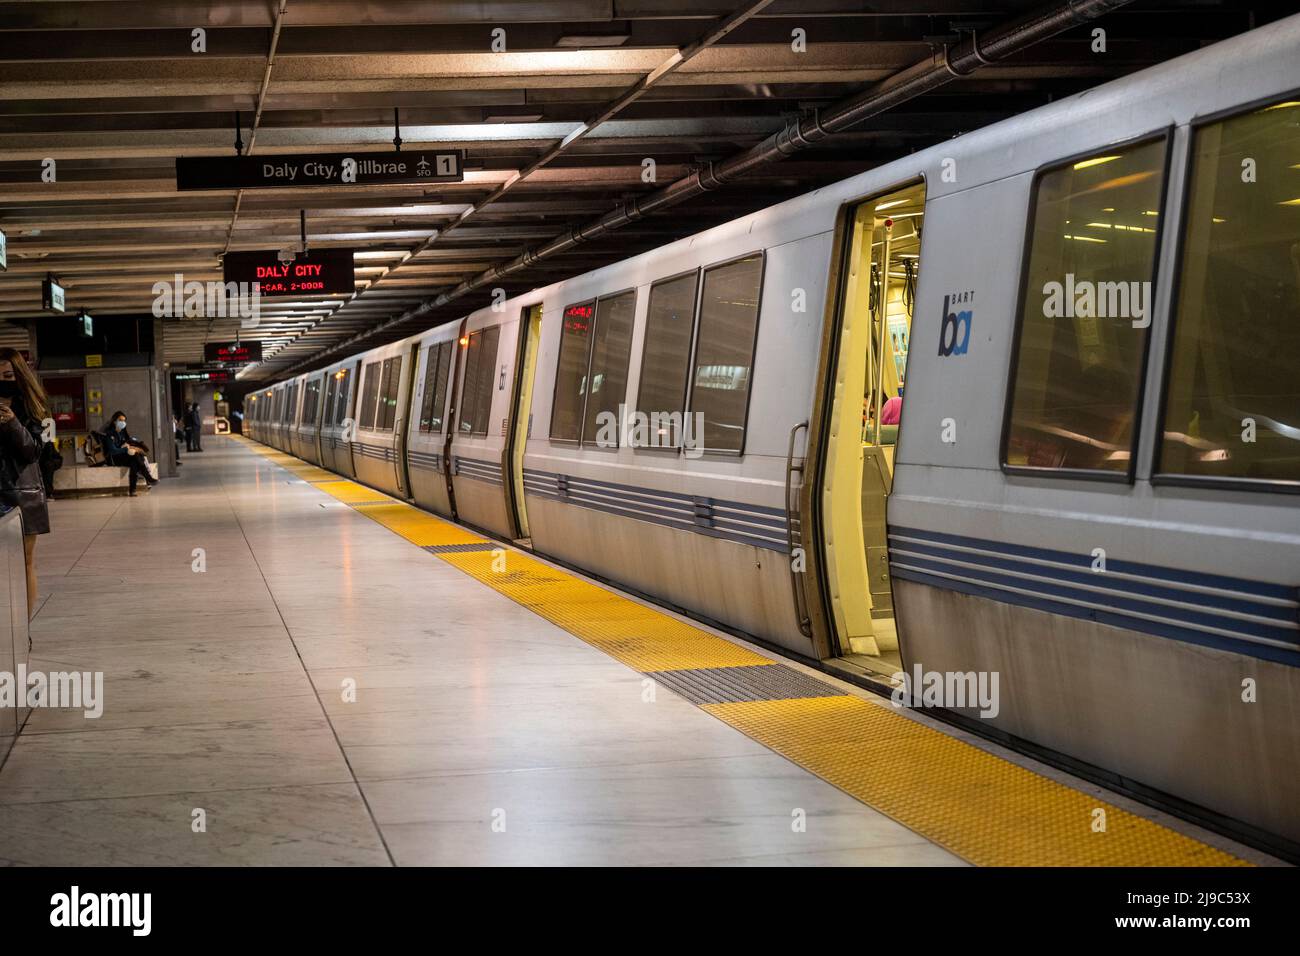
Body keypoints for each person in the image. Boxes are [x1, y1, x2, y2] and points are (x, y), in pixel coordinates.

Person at [0, 347, 52, 616]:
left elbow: (33, 452)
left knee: (25, 561)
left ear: (19, 375)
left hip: (23, 493)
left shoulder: (35, 408)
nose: (2, 381)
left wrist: (11, 422)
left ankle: (21, 627)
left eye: (8, 375)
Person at [102, 410, 157, 496]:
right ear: (114, 421)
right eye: (120, 420)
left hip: (123, 457)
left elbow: (126, 443)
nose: (123, 422)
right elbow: (113, 451)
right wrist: (126, 449)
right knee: (135, 457)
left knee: (134, 462)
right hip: (114, 459)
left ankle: (133, 490)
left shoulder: (122, 432)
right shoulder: (110, 434)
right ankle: (148, 478)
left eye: (124, 420)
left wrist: (130, 447)